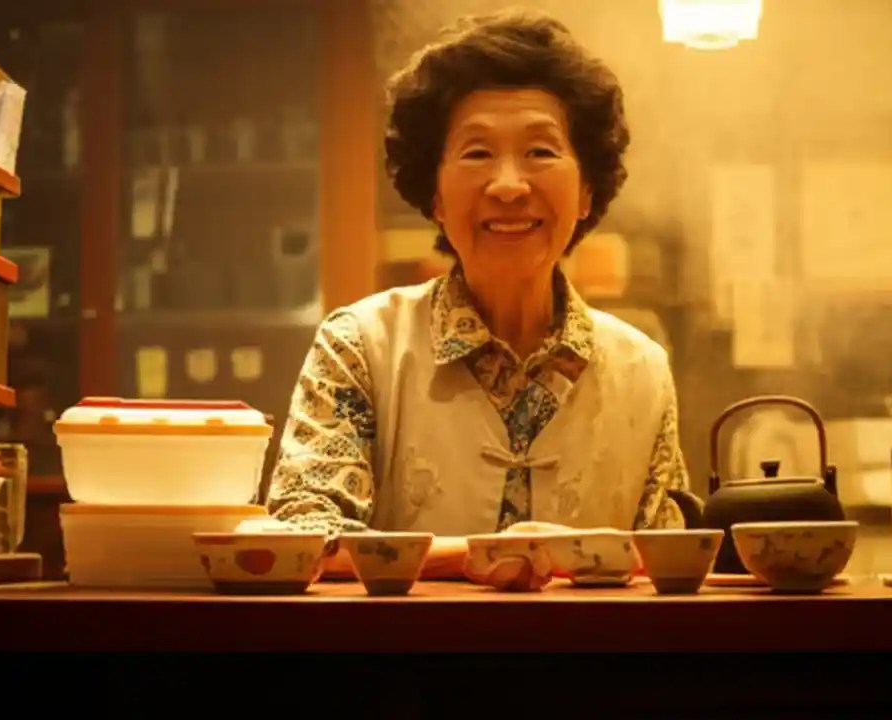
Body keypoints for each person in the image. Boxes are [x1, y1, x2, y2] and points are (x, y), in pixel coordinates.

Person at [266, 8, 692, 579]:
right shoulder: (361, 347)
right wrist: (473, 559)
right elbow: (303, 542)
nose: (510, 185)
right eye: (476, 153)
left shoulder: (642, 370)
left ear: (587, 190)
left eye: (541, 152)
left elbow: (667, 568)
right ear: (435, 195)